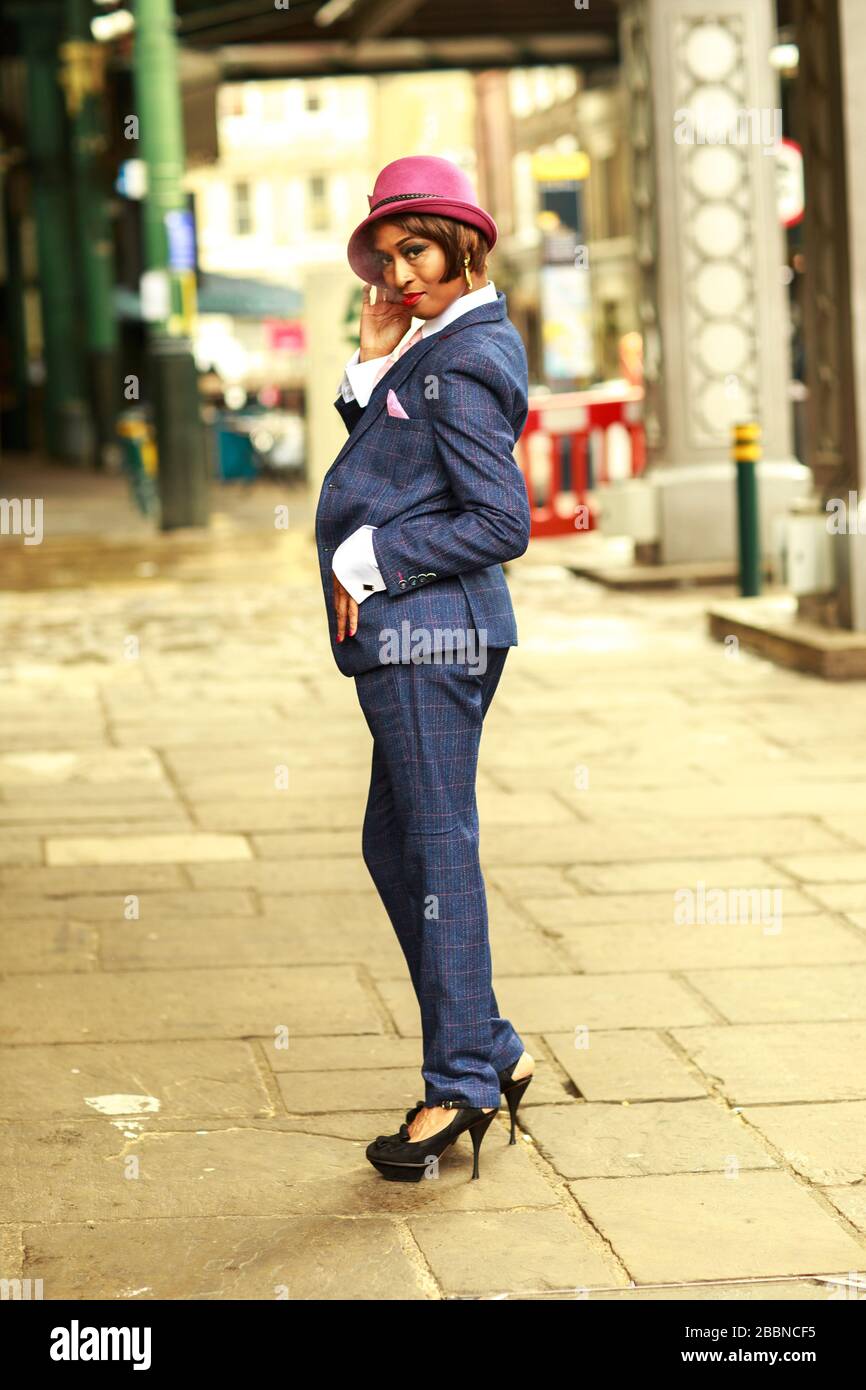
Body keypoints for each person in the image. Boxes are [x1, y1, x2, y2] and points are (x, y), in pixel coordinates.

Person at [314, 155, 535, 1182]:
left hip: (428, 632)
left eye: (418, 251)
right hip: (423, 632)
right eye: (387, 257)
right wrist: (371, 368)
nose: (401, 275)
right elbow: (400, 466)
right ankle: (490, 1046)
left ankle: (459, 1083)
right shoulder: (435, 345)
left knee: (435, 851)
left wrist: (372, 559)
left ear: (465, 246)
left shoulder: (469, 354)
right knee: (396, 843)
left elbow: (499, 519)